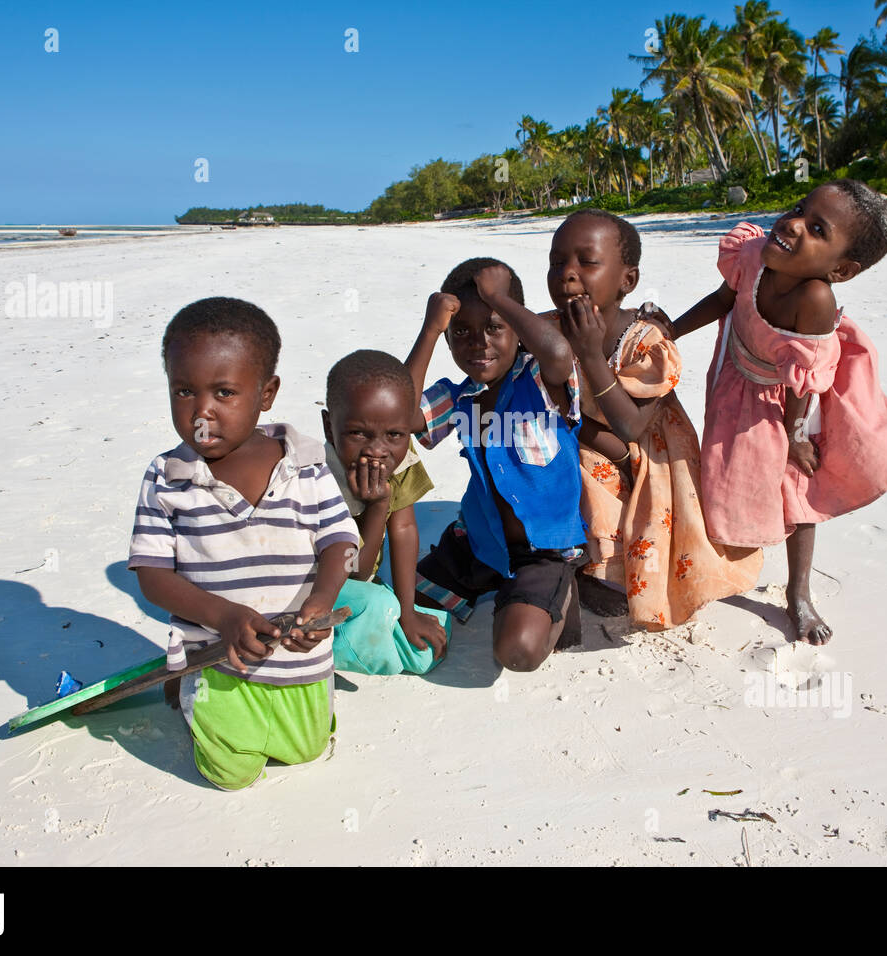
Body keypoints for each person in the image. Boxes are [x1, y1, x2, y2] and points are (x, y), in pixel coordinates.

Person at [128, 296, 362, 790]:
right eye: (184, 391)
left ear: (266, 393)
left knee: (306, 752)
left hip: (300, 657)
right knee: (230, 774)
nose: (202, 411)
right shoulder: (167, 477)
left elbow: (341, 541)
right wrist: (223, 617)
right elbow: (152, 576)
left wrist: (321, 601)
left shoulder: (306, 463)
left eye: (225, 392)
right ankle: (191, 693)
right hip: (219, 659)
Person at [671, 180, 887, 644]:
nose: (793, 224)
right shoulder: (753, 256)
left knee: (794, 487)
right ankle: (715, 556)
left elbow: (804, 377)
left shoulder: (815, 300)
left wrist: (796, 434)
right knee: (729, 468)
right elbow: (724, 300)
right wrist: (673, 331)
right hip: (736, 377)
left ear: (841, 269)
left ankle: (799, 593)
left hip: (791, 396)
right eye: (800, 208)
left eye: (817, 229)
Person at [545, 209, 763, 630]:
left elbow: (630, 429)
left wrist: (591, 354)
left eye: (586, 262)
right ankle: (583, 560)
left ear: (627, 281)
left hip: (650, 449)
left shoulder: (647, 341)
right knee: (553, 456)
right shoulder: (553, 327)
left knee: (602, 481)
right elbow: (506, 329)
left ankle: (606, 572)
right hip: (588, 435)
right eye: (557, 262)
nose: (567, 275)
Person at [406, 258, 586, 672]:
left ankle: (557, 592)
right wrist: (431, 330)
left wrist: (497, 297)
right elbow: (398, 416)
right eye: (461, 332)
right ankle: (502, 588)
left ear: (517, 329)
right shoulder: (458, 398)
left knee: (517, 651)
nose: (478, 343)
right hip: (478, 541)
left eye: (494, 326)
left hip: (544, 549)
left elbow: (559, 351)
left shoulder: (541, 380)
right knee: (406, 599)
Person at [320, 349, 451, 674]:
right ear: (328, 426)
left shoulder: (400, 456)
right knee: (378, 607)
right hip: (317, 588)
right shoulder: (318, 481)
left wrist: (407, 612)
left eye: (394, 434)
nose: (377, 450)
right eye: (357, 433)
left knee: (425, 635)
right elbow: (355, 572)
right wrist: (378, 507)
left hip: (362, 580)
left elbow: (404, 529)